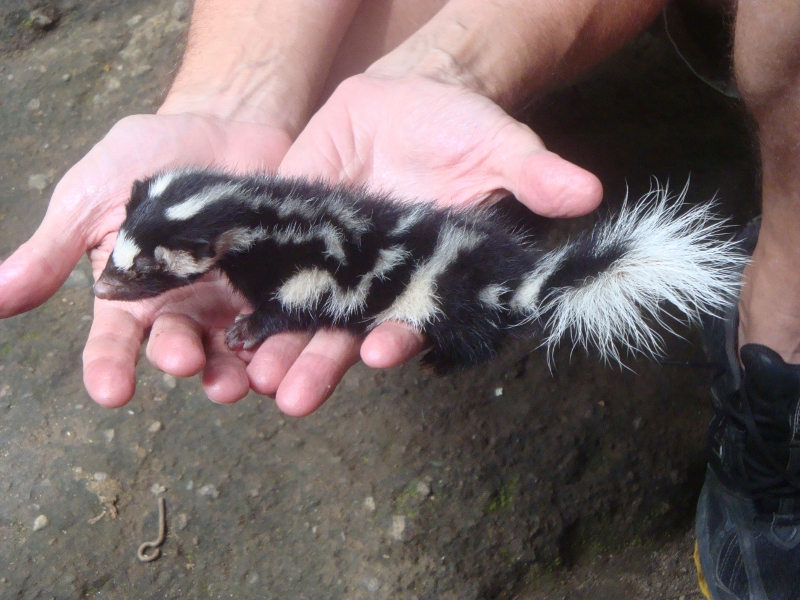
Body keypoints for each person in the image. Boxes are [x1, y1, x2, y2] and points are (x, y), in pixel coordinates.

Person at [0, 1, 797, 598]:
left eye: (146, 275)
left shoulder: (267, 258)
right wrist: (231, 97)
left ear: (201, 252)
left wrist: (270, 315)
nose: (120, 286)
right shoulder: (256, 236)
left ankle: (782, 326)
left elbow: (314, 293)